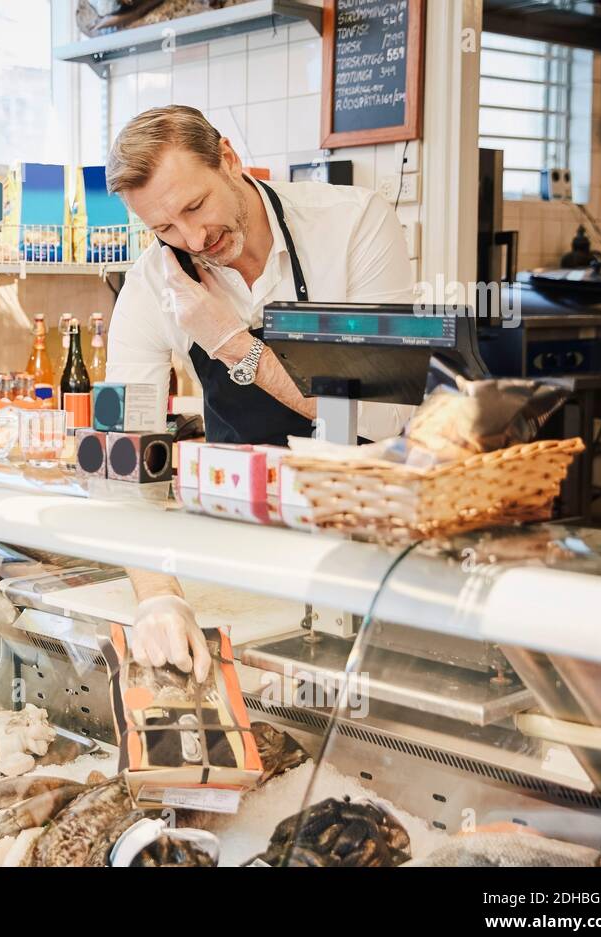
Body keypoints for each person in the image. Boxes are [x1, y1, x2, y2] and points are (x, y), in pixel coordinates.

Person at [103, 106, 415, 679]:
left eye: (196, 206)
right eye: (165, 228)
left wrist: (233, 343)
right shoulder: (154, 282)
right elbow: (123, 458)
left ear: (229, 159)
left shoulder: (352, 224)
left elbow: (381, 415)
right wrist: (156, 596)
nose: (194, 238)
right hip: (244, 556)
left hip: (367, 548)